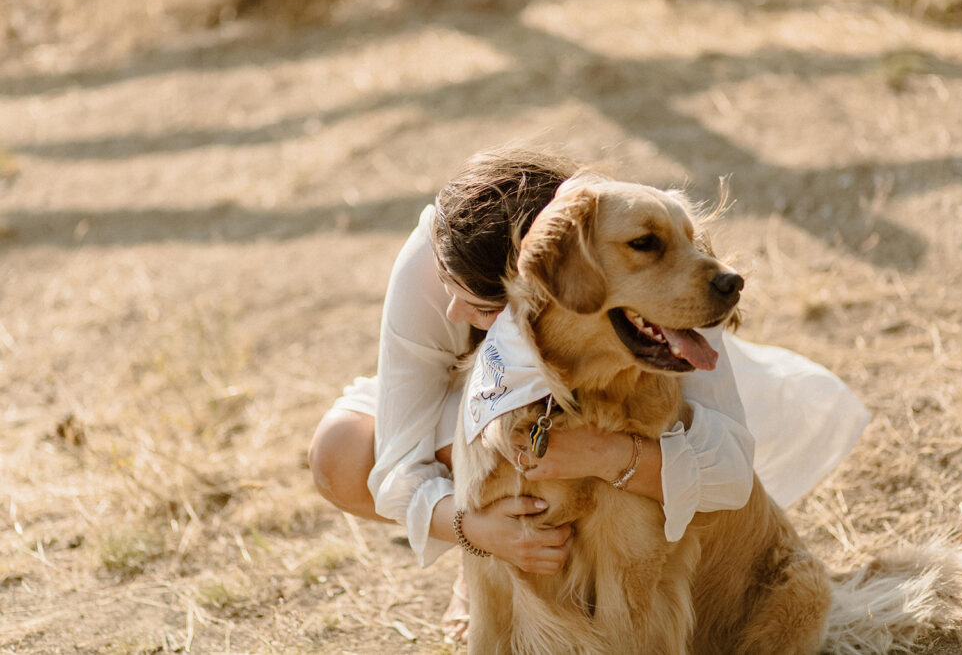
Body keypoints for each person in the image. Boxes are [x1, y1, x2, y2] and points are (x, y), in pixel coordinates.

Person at [307, 148, 869, 643]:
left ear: (551, 284)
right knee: (343, 452)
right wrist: (473, 530)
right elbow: (397, 465)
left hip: (643, 389)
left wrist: (606, 454)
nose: (456, 315)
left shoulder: (669, 281)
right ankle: (485, 572)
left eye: (484, 309)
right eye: (456, 298)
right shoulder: (438, 260)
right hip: (479, 390)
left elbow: (728, 474)